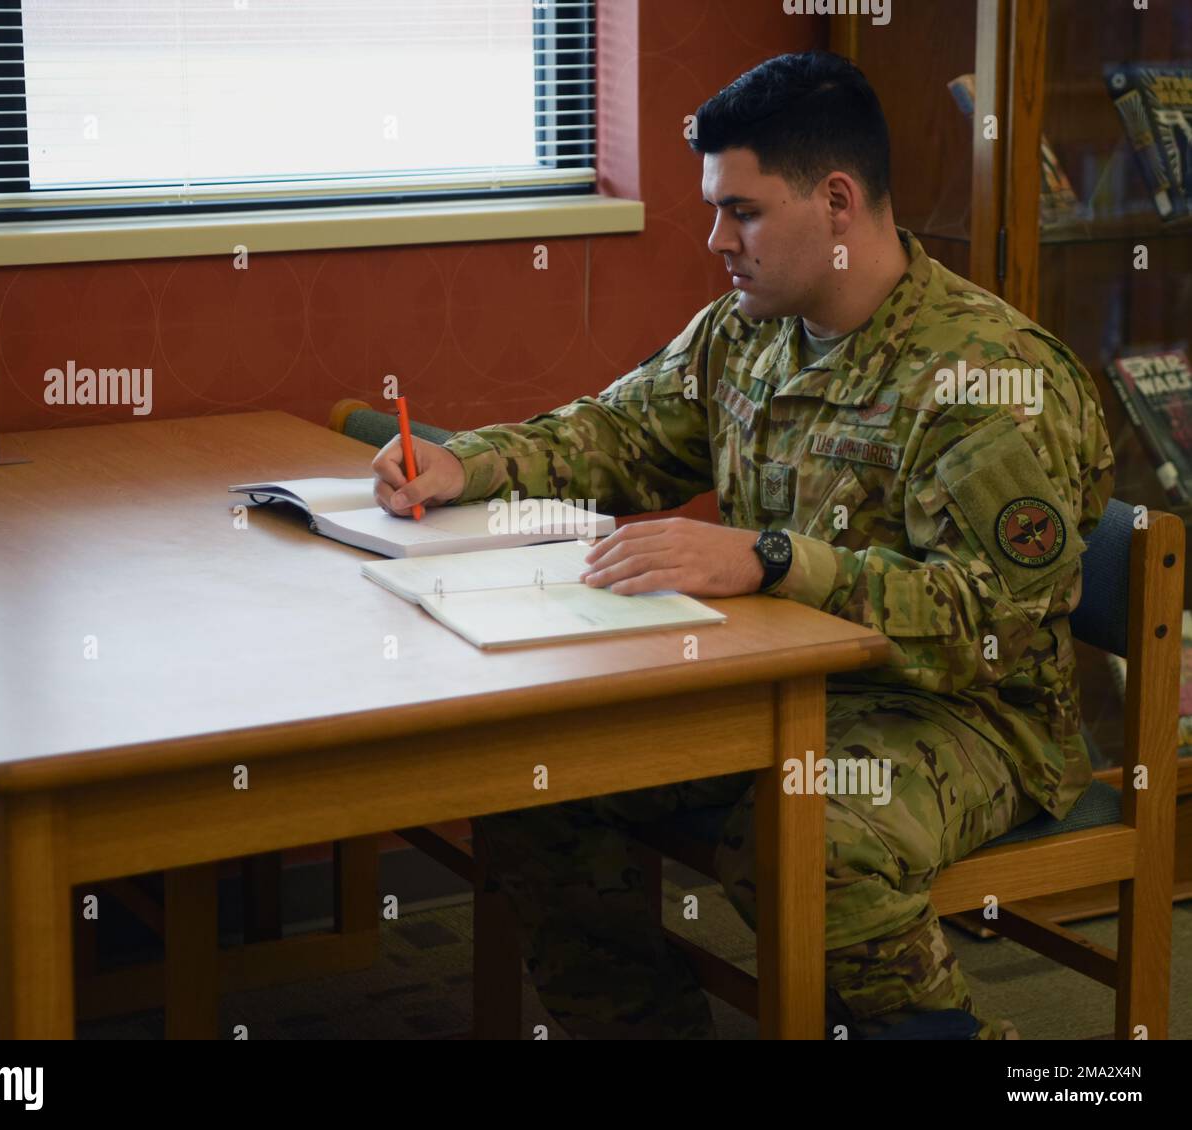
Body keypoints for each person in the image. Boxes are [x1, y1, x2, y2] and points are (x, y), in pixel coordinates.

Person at [370, 50, 1114, 1040]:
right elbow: (615, 438)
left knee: (807, 836)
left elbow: (996, 627)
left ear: (838, 201)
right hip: (773, 687)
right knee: (538, 776)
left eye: (744, 210)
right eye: (715, 208)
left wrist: (773, 559)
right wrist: (467, 464)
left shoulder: (989, 375)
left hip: (964, 715)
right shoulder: (743, 333)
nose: (716, 238)